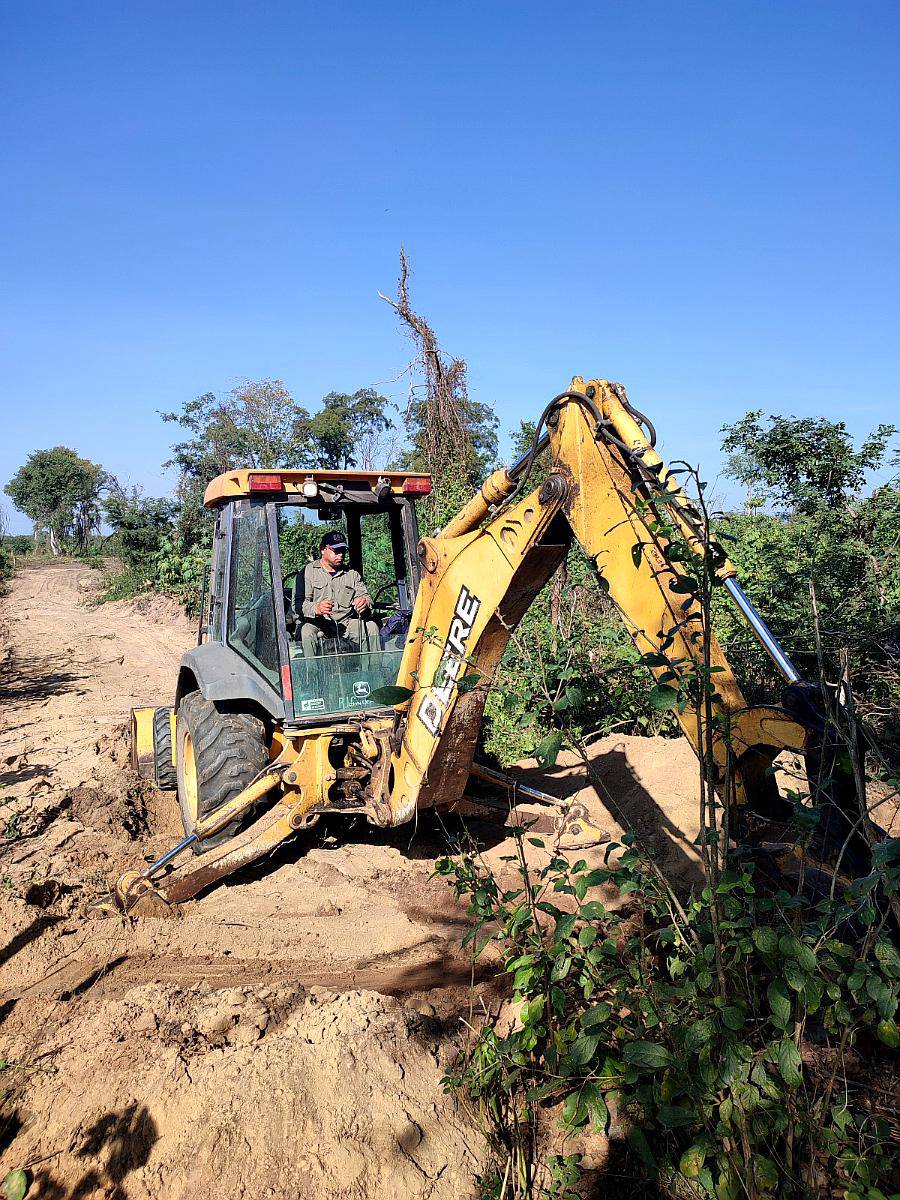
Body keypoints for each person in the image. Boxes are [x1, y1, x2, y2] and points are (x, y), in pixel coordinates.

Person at [296, 531, 379, 657]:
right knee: (306, 631)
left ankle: (373, 671)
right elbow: (298, 606)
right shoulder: (306, 572)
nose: (340, 555)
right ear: (323, 549)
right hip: (318, 624)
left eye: (343, 551)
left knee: (371, 627)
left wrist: (364, 603)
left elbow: (366, 597)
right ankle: (312, 674)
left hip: (346, 623)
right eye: (336, 551)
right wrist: (316, 608)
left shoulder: (352, 574)